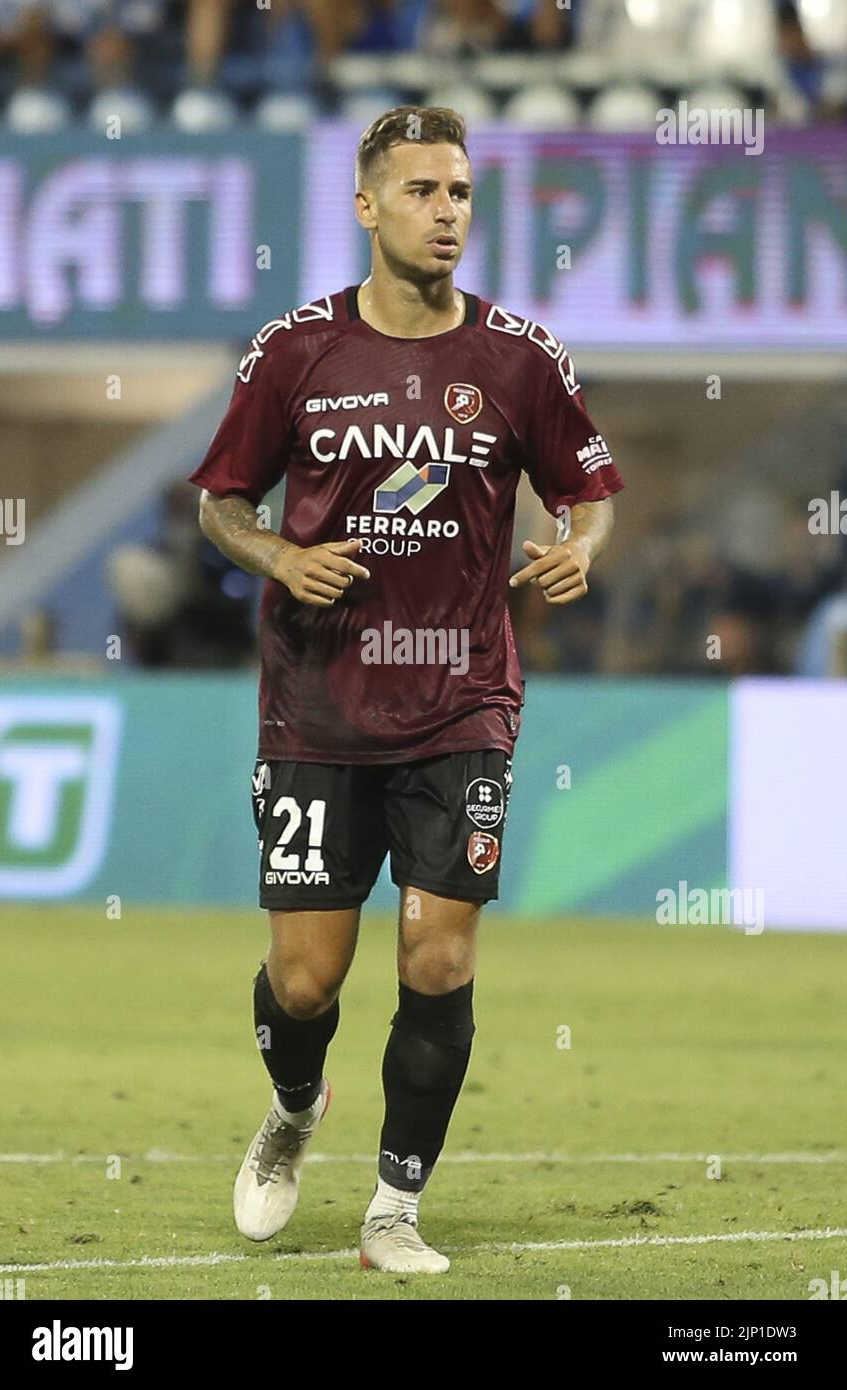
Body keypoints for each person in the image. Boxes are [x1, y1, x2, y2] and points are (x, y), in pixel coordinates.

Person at [188, 105, 623, 1274]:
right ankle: (291, 1109)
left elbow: (587, 486)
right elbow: (221, 501)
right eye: (424, 191)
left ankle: (393, 1208)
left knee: (436, 960)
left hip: (461, 701)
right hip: (316, 705)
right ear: (366, 203)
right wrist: (278, 554)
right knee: (305, 977)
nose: (448, 213)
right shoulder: (295, 352)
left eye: (462, 193)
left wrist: (583, 541)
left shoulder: (519, 358)